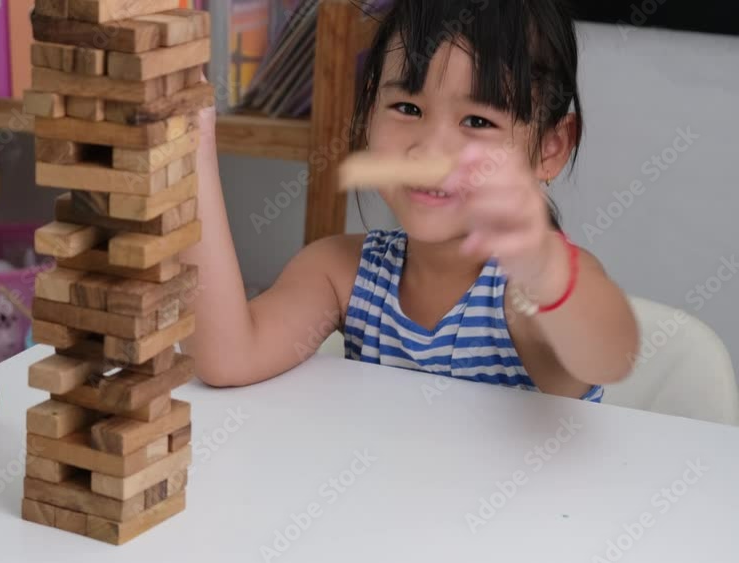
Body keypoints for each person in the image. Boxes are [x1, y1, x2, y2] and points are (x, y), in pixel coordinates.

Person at [183, 0, 640, 402]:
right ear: (367, 113)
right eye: (408, 109)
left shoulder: (524, 292)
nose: (429, 150)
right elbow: (228, 359)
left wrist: (543, 266)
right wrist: (189, 143)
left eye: (478, 121)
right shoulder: (341, 273)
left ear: (550, 148)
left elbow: (603, 359)